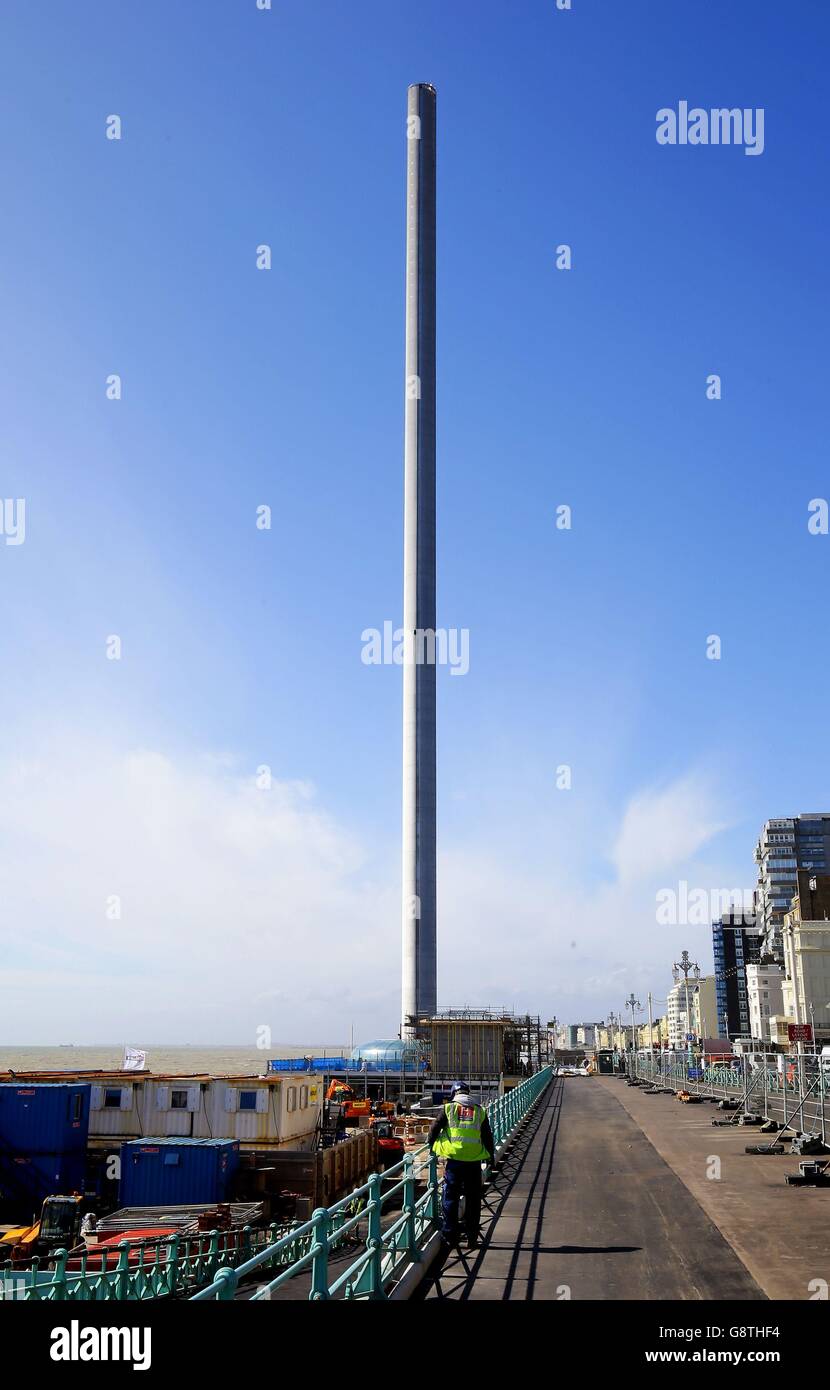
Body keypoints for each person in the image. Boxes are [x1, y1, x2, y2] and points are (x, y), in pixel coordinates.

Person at [429, 1082, 494, 1249]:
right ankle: (472, 1237)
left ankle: (450, 1235)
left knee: (450, 1198)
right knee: (473, 1199)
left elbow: (434, 1129)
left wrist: (431, 1146)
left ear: (454, 1094)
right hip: (474, 1162)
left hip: (454, 1161)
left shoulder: (449, 1108)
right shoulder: (480, 1110)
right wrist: (490, 1157)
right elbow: (487, 1136)